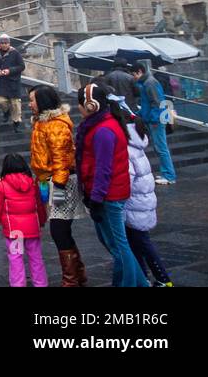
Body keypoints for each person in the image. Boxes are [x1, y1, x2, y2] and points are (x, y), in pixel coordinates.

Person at [76, 82, 150, 287]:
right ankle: (141, 283)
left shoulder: (103, 131)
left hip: (109, 195)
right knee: (115, 243)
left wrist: (97, 199)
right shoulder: (101, 126)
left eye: (81, 104)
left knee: (119, 245)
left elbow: (103, 169)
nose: (79, 109)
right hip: (107, 193)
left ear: (91, 105)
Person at [29, 85, 88, 287]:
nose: (30, 104)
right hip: (47, 182)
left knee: (59, 229)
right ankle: (77, 273)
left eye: (32, 100)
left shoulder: (56, 126)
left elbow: (61, 160)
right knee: (59, 229)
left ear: (43, 102)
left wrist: (60, 189)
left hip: (59, 183)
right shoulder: (42, 123)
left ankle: (71, 278)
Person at [125, 115, 173, 286]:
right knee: (137, 241)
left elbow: (127, 180)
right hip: (142, 201)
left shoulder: (126, 148)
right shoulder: (137, 144)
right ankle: (143, 276)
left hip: (134, 203)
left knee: (141, 242)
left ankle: (163, 278)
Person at [0, 153, 48, 287]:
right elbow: (39, 204)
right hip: (32, 228)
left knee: (15, 258)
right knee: (36, 257)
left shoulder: (2, 185)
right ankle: (41, 283)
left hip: (14, 230)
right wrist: (42, 219)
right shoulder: (32, 183)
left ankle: (18, 284)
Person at [130, 61, 176, 185]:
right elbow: (150, 104)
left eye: (134, 74)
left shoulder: (149, 83)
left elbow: (157, 103)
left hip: (156, 120)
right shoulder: (148, 82)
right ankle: (167, 174)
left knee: (161, 148)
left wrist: (154, 119)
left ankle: (169, 176)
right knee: (160, 148)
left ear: (140, 72)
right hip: (154, 119)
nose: (134, 77)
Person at [0, 34, 26, 131]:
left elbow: (22, 66)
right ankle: (6, 112)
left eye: (6, 43)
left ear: (9, 43)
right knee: (0, 100)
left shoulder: (15, 53)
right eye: (2, 43)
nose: (4, 45)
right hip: (0, 82)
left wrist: (10, 70)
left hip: (13, 83)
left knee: (16, 104)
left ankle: (16, 123)